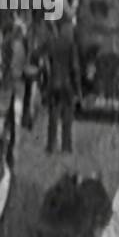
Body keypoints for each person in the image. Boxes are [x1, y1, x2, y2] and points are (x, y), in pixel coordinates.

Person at [40, 18, 80, 154]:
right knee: (67, 116)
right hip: (67, 83)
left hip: (53, 82)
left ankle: (51, 145)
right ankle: (66, 146)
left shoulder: (50, 43)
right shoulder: (70, 44)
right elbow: (75, 67)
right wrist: (78, 88)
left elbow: (39, 58)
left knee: (53, 115)